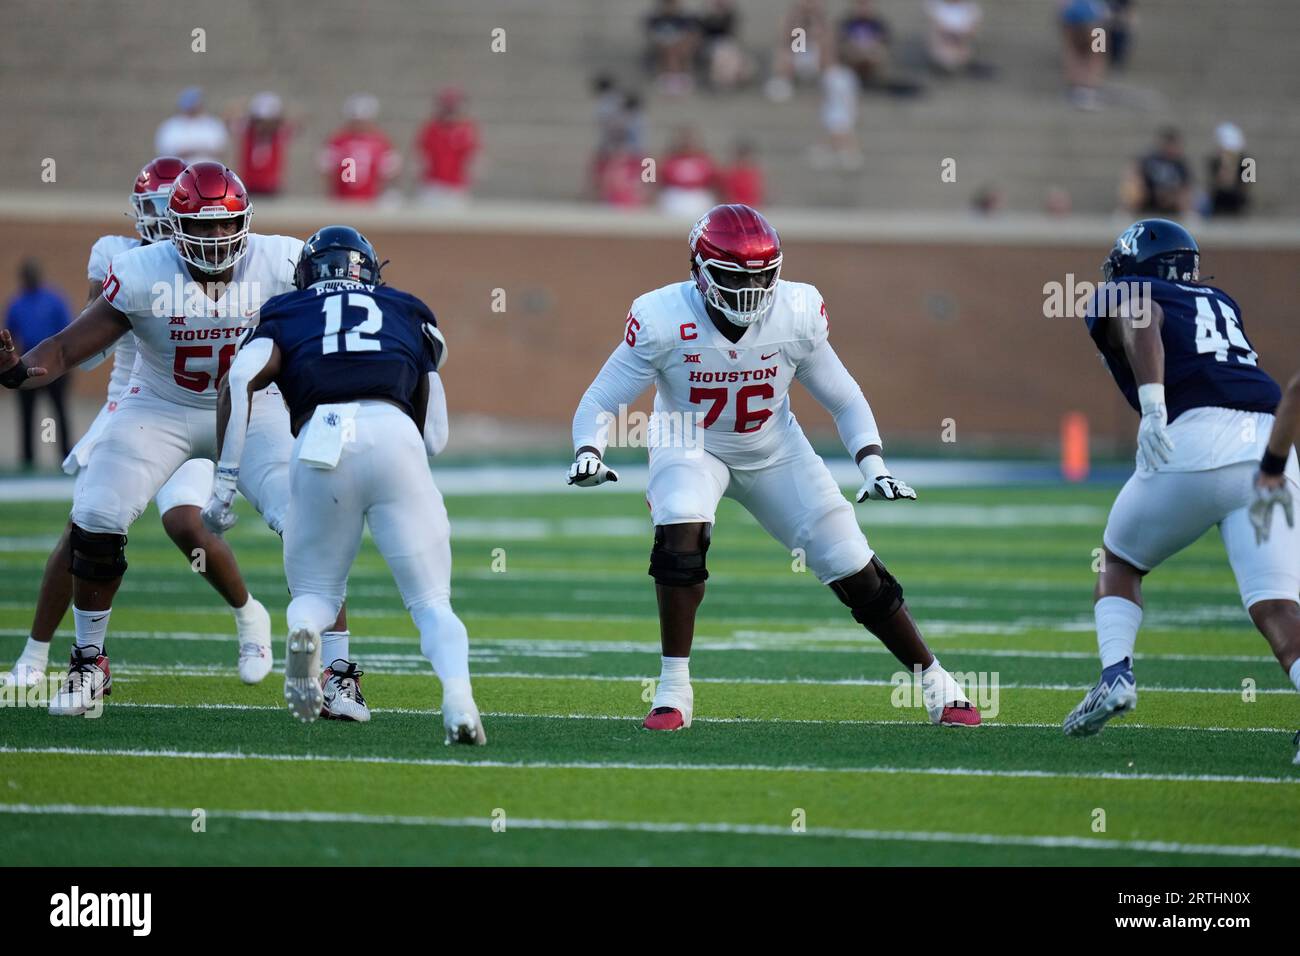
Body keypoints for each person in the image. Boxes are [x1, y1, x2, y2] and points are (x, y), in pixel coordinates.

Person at [568, 204, 981, 731]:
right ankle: (673, 692)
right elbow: (602, 397)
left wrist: (872, 464)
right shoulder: (662, 317)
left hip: (774, 448)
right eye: (733, 277)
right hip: (688, 443)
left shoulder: (797, 311)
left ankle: (939, 686)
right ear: (699, 269)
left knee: (853, 565)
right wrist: (590, 448)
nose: (749, 291)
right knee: (679, 535)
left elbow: (843, 397)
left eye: (762, 276)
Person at [0, 163, 305, 716]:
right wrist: (17, 373)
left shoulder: (279, 259)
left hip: (252, 409)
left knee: (306, 520)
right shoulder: (139, 267)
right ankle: (87, 663)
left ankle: (330, 669)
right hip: (159, 405)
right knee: (93, 517)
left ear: (244, 221)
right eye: (202, 227)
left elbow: (336, 306)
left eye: (224, 225)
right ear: (173, 224)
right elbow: (71, 348)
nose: (215, 240)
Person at [203, 226, 485, 743]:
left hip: (320, 439)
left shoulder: (284, 311)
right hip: (394, 432)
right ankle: (459, 701)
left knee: (314, 591)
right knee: (431, 603)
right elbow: (437, 437)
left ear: (307, 274)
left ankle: (306, 634)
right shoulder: (405, 308)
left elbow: (239, 383)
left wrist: (223, 484)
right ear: (370, 270)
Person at [1064, 219, 1300, 759]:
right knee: (1276, 606)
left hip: (1195, 439)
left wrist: (1152, 407)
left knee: (1118, 561)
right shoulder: (1221, 300)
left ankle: (1116, 674)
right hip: (1270, 446)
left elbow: (1140, 315)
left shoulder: (1128, 292)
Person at [5, 260, 72, 468]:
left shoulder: (54, 299)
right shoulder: (16, 303)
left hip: (53, 364)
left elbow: (68, 330)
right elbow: (10, 334)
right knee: (26, 412)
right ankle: (27, 458)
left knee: (59, 410)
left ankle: (65, 455)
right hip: (26, 363)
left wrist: (67, 365)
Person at [319, 95, 400, 202]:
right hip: (342, 198)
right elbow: (327, 171)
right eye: (357, 121)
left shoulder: (382, 143)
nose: (360, 125)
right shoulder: (338, 141)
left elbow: (390, 174)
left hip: (371, 199)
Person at [414, 88, 480, 208]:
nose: (450, 111)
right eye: (447, 107)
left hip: (456, 186)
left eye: (452, 107)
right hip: (433, 185)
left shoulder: (467, 129)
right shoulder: (431, 129)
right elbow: (421, 156)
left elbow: (473, 157)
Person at [230, 92, 294, 197]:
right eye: (260, 121)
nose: (264, 126)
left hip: (272, 189)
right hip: (248, 188)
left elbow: (298, 122)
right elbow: (230, 118)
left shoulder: (279, 135)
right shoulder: (247, 133)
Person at [1120, 127, 1191, 217]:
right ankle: (1127, 212)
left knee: (1184, 194)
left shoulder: (1180, 164)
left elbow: (1186, 185)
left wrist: (1170, 194)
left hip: (1171, 198)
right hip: (1149, 196)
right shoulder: (1149, 160)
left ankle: (1187, 215)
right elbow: (1133, 172)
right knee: (1133, 186)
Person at [154, 86, 228, 164]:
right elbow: (164, 151)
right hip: (180, 171)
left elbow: (221, 149)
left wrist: (195, 150)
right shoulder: (170, 126)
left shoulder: (213, 124)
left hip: (208, 171)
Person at [658, 127, 717, 217]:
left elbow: (714, 182)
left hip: (698, 195)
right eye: (684, 141)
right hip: (676, 195)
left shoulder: (704, 161)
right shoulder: (670, 161)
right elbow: (661, 182)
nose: (687, 144)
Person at [924, 0, 982, 75]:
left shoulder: (971, 9)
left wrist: (961, 35)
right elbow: (936, 27)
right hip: (944, 40)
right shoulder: (935, 6)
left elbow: (973, 31)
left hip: (961, 41)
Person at [1205, 122, 1249, 218]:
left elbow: (1245, 188)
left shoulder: (1248, 163)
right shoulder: (1215, 161)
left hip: (1237, 203)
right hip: (1219, 203)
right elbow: (1218, 184)